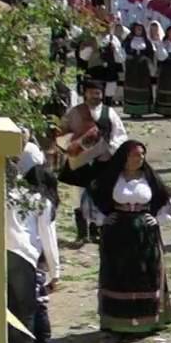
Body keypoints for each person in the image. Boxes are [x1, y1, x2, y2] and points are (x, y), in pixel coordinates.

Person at [91, 140, 171, 335]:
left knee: (145, 274)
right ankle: (118, 322)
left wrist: (158, 218)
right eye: (135, 155)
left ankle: (149, 320)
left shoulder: (149, 178)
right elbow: (93, 195)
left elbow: (166, 197)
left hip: (144, 234)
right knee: (118, 273)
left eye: (142, 155)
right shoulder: (112, 178)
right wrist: (103, 218)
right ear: (124, 157)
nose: (139, 158)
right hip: (118, 233)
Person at [6, 139, 62, 343]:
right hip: (24, 256)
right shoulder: (37, 199)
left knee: (10, 307)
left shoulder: (7, 194)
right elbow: (48, 238)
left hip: (3, 253)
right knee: (26, 308)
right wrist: (55, 271)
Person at [58, 78, 128, 243]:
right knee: (79, 197)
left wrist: (110, 149)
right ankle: (82, 234)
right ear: (85, 94)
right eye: (92, 93)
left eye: (98, 93)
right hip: (80, 162)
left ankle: (97, 231)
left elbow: (120, 135)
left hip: (102, 161)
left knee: (101, 195)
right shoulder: (74, 113)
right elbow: (62, 135)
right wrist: (74, 146)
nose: (95, 96)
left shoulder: (109, 112)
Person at [122, 22, 155, 117]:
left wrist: (146, 58)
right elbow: (123, 50)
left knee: (143, 86)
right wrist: (128, 57)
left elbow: (150, 53)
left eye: (140, 29)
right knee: (132, 86)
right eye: (137, 29)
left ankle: (141, 111)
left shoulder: (147, 41)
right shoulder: (128, 40)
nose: (139, 31)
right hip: (132, 66)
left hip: (143, 67)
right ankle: (132, 110)